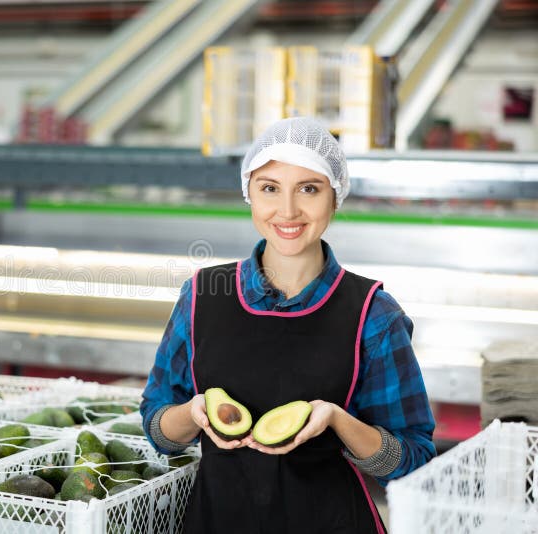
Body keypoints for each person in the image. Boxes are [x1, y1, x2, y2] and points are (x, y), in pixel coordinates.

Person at [140, 117, 436, 534]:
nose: (288, 210)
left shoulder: (374, 314)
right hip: (218, 521)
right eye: (269, 188)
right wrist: (193, 414)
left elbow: (413, 462)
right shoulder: (202, 295)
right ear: (249, 194)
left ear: (336, 198)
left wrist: (337, 420)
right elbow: (157, 428)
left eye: (309, 189)